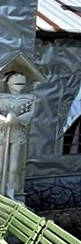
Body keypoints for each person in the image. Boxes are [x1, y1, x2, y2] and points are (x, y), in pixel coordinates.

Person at [0, 71, 37, 200]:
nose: (19, 81)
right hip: (3, 132)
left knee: (14, 164)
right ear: (8, 82)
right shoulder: (2, 97)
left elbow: (30, 114)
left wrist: (17, 119)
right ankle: (1, 191)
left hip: (17, 132)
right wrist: (5, 120)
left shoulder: (30, 98)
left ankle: (11, 192)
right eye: (14, 79)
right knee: (0, 163)